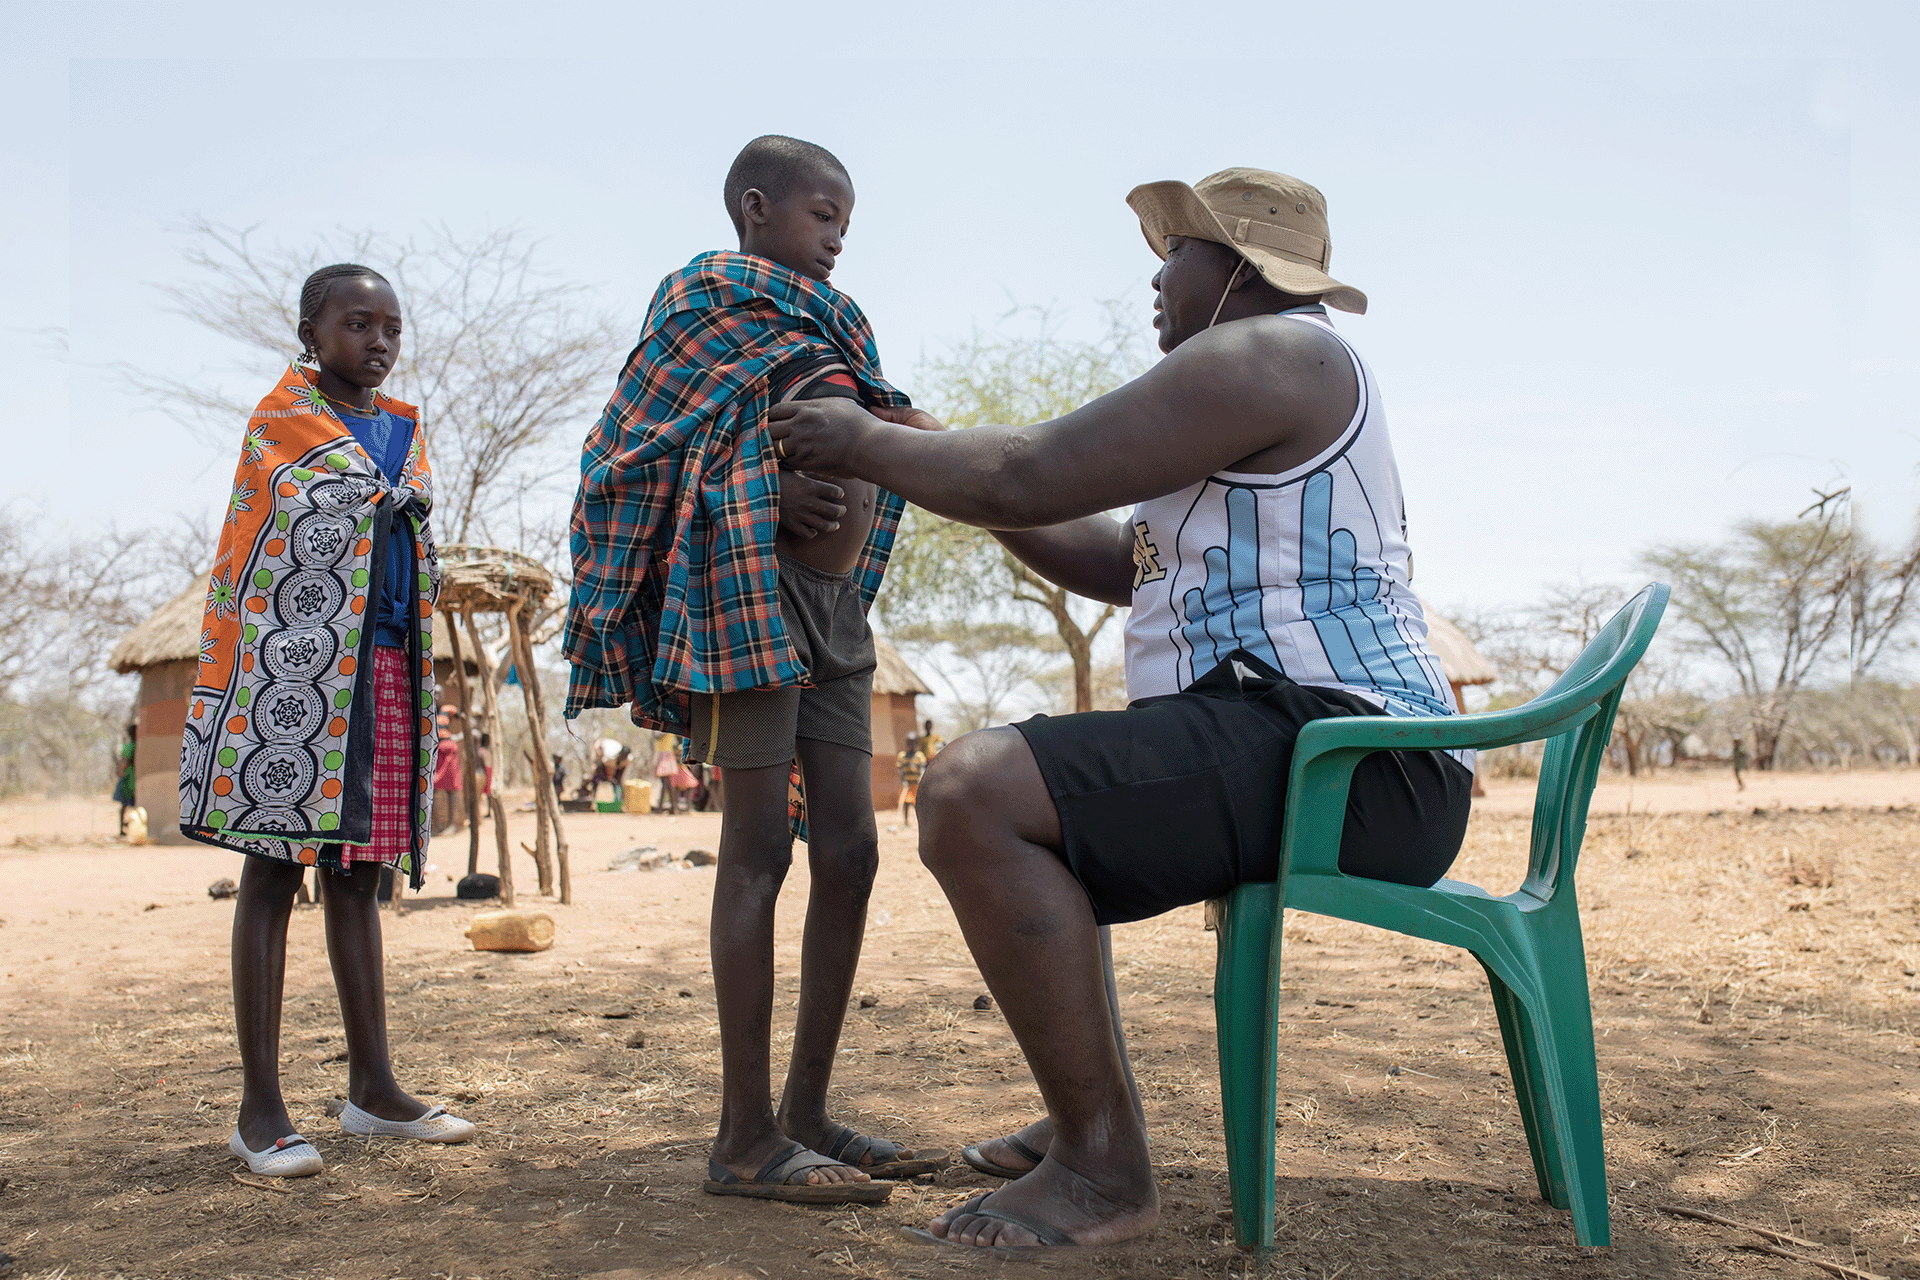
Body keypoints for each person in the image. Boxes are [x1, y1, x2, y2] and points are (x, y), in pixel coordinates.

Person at [770, 168, 1473, 1248]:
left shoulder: (1272, 353)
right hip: (1323, 747)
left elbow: (1029, 473)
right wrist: (930, 450)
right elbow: (1110, 557)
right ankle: (1077, 1123)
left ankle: (1104, 1168)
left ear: (1236, 267)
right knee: (1049, 801)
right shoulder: (1255, 383)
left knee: (971, 792)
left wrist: (867, 445)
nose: (1157, 275)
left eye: (1177, 251)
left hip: (1350, 756)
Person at [563, 135, 943, 1202]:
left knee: (856, 850)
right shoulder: (702, 305)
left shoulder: (836, 324)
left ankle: (806, 1108)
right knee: (759, 851)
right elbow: (634, 455)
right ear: (756, 205)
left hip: (836, 614)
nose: (836, 237)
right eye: (822, 215)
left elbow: (881, 424)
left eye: (847, 224)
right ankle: (742, 1137)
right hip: (746, 596)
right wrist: (760, 498)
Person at [178, 263, 476, 1180]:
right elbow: (266, 540)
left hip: (384, 660)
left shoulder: (405, 430)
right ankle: (259, 1109)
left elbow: (404, 532)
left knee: (361, 877)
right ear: (311, 332)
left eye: (392, 326)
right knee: (272, 873)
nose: (378, 341)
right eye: (357, 323)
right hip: (291, 672)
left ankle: (373, 1089)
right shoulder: (280, 424)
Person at [895, 732, 926, 826]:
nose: (910, 745)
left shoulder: (920, 755)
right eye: (908, 742)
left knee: (918, 805)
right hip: (907, 785)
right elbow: (900, 770)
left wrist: (921, 778)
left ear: (917, 743)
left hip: (916, 784)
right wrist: (903, 780)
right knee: (906, 804)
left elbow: (922, 769)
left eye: (913, 743)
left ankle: (922, 823)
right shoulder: (902, 755)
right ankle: (906, 822)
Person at [112, 723, 138, 835]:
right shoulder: (133, 746)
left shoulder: (128, 746)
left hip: (127, 777)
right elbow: (125, 762)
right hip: (130, 778)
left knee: (125, 805)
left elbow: (122, 762)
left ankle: (124, 827)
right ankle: (125, 827)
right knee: (130, 803)